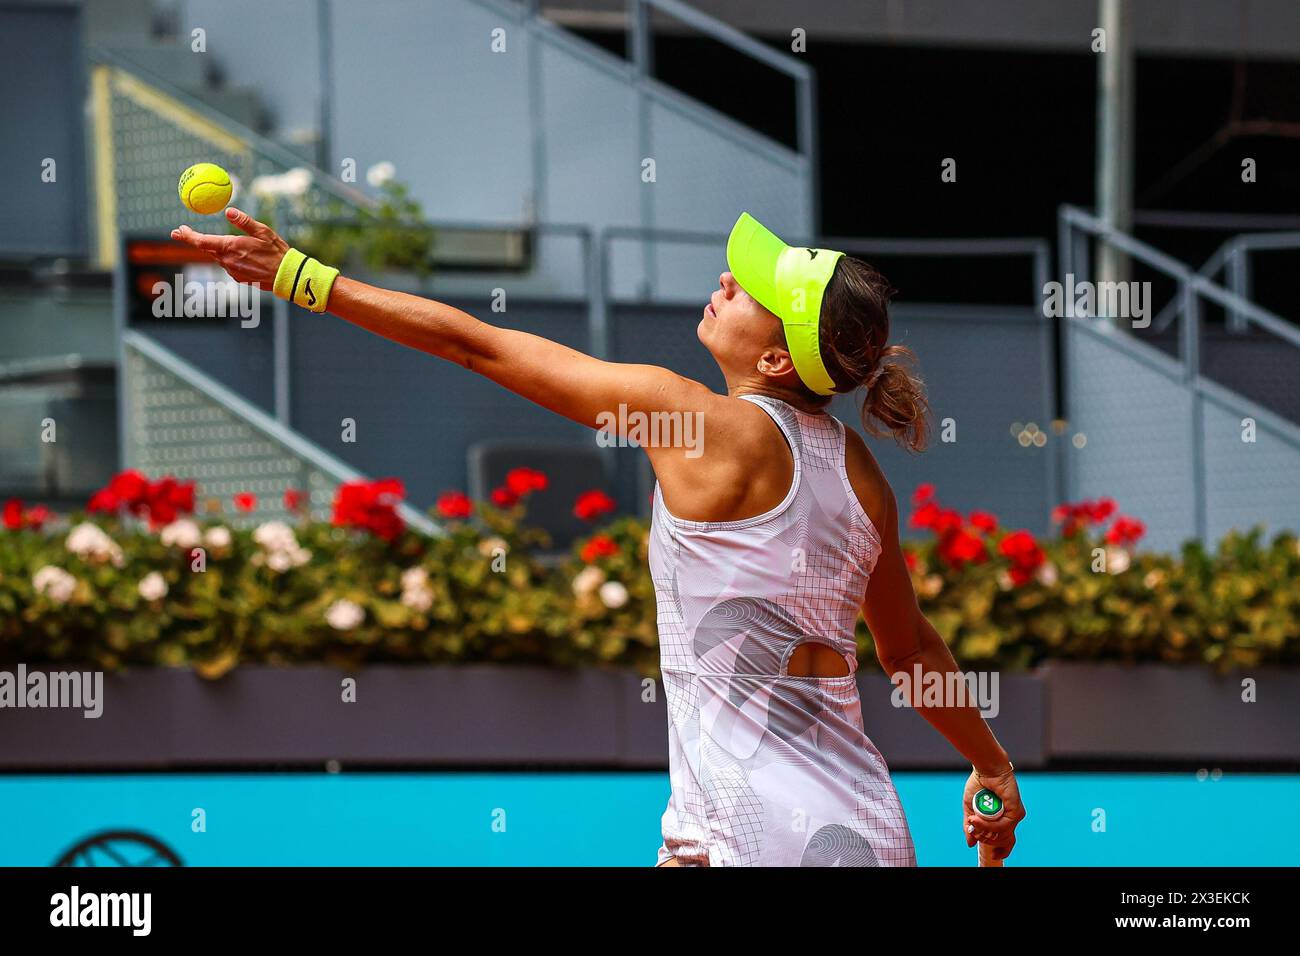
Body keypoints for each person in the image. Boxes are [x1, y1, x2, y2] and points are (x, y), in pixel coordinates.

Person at [172, 207, 1026, 867]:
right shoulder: (863, 476)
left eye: (752, 290)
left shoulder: (691, 420)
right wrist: (991, 765)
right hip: (867, 832)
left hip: (739, 840)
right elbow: (910, 651)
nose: (728, 279)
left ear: (775, 360)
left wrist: (300, 275)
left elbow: (478, 348)